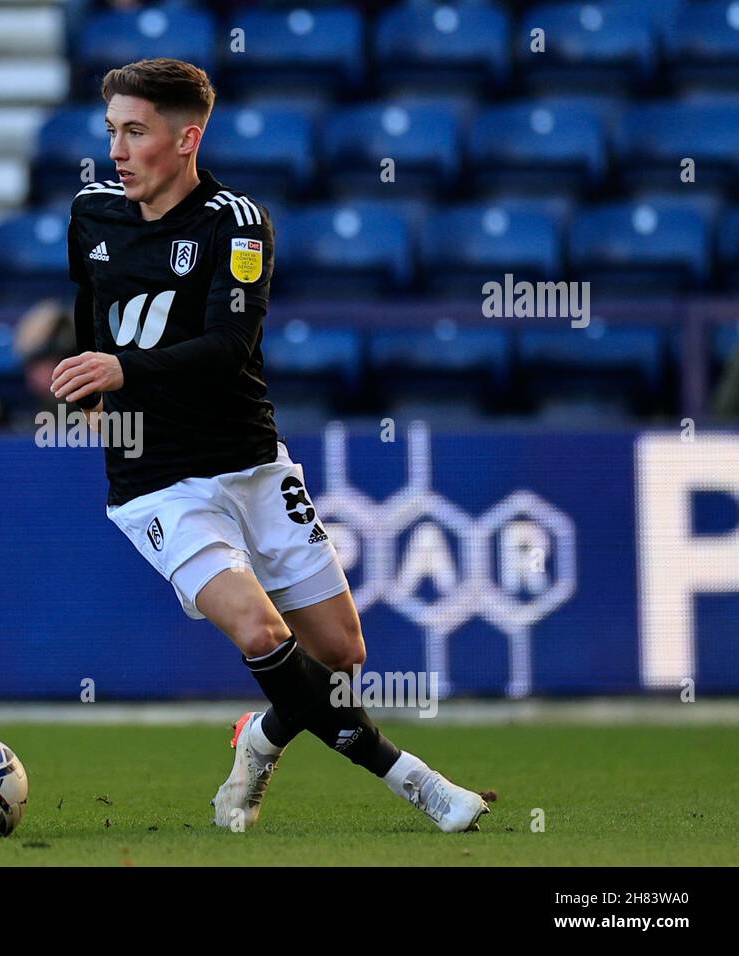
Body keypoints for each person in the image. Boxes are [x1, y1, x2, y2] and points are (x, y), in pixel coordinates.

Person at [53, 58, 491, 832]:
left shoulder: (237, 222)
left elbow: (229, 345)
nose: (116, 150)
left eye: (135, 132)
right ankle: (416, 781)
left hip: (251, 462)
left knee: (341, 656)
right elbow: (92, 309)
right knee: (262, 632)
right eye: (112, 131)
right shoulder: (91, 213)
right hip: (157, 480)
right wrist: (96, 385)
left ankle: (256, 743)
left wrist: (124, 366)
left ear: (186, 139)